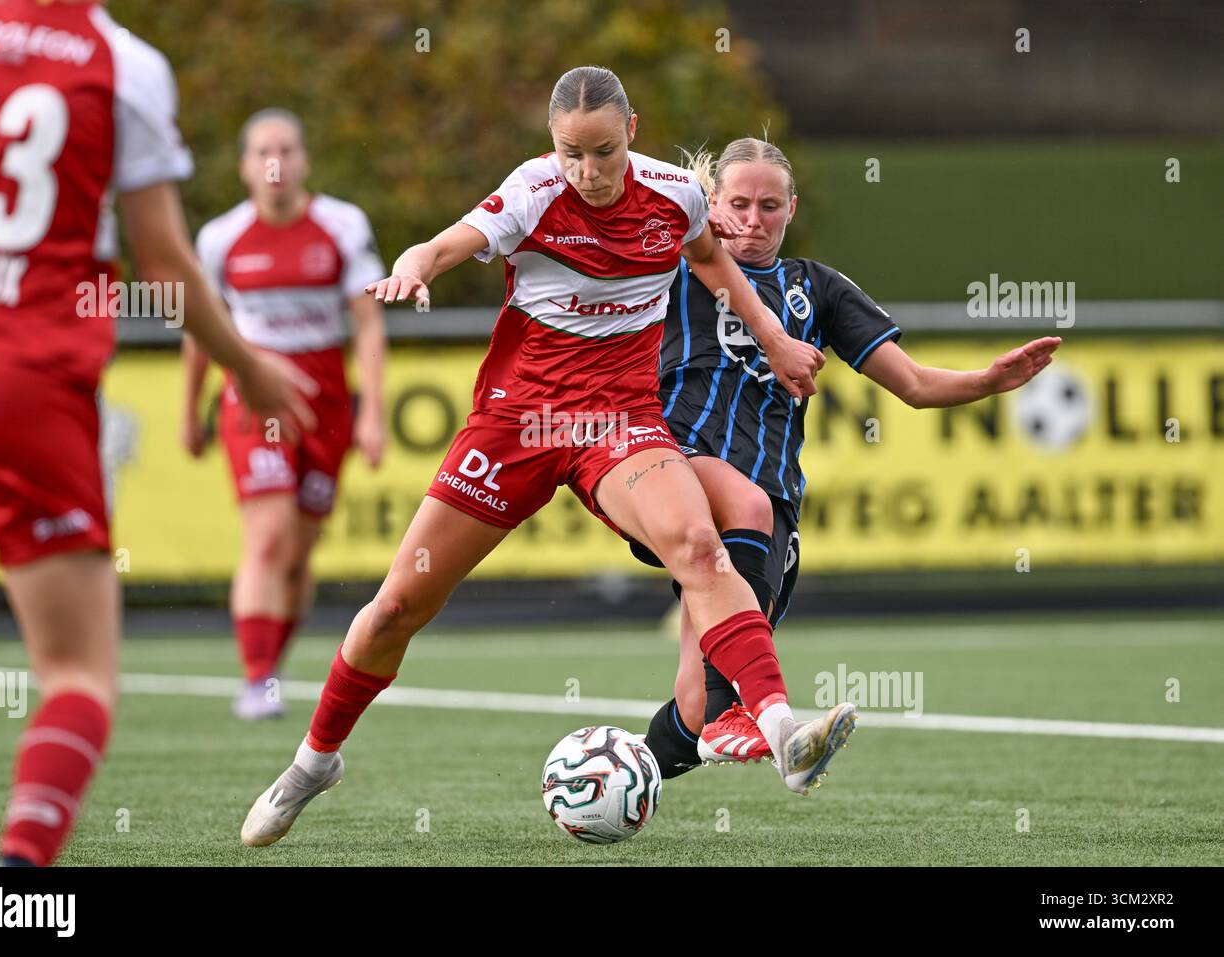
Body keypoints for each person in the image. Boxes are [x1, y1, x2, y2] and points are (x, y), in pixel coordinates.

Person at [240, 65, 853, 848]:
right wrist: (413, 268)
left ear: (631, 133)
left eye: (601, 152)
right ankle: (314, 761)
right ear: (552, 145)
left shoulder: (674, 193)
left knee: (700, 544)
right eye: (571, 153)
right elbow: (450, 242)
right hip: (516, 426)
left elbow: (709, 260)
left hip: (619, 424)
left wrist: (773, 339)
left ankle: (779, 729)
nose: (587, 173)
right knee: (397, 606)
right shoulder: (534, 191)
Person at [0, 0, 313, 866]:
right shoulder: (121, 62)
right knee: (76, 673)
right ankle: (16, 877)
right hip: (26, 379)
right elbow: (163, 264)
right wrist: (248, 368)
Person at [636, 136, 1062, 778]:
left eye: (770, 206)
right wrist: (689, 210)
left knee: (695, 707)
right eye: (739, 204)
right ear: (714, 201)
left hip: (771, 496)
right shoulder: (679, 261)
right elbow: (618, 191)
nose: (753, 221)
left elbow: (913, 386)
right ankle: (752, 719)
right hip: (675, 464)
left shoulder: (818, 290)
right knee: (742, 512)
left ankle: (620, 778)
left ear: (791, 207)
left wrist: (988, 381)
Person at [183, 108, 388, 720]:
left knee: (298, 555)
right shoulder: (221, 238)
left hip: (325, 403)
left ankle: (270, 668)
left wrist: (372, 413)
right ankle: (255, 679)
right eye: (262, 151)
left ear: (303, 160)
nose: (275, 163)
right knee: (267, 539)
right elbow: (199, 329)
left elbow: (368, 325)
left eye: (287, 149)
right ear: (245, 166)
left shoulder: (342, 226)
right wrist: (188, 409)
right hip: (254, 397)